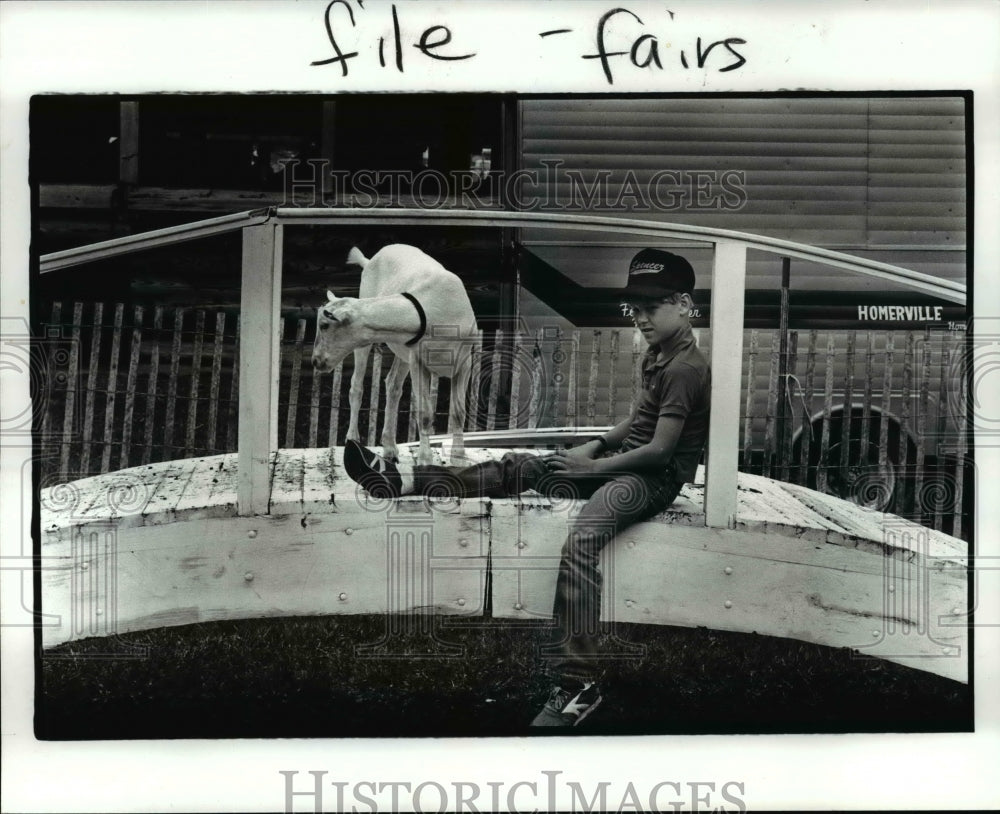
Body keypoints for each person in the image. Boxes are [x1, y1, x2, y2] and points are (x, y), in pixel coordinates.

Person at [343, 248, 711, 728]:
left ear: (684, 304)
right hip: (620, 464)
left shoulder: (687, 367)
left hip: (649, 482)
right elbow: (637, 421)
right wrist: (592, 448)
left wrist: (588, 471)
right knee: (522, 467)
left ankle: (578, 684)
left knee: (581, 543)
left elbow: (660, 452)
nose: (640, 318)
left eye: (652, 307)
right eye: (634, 309)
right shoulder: (660, 352)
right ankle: (404, 479)